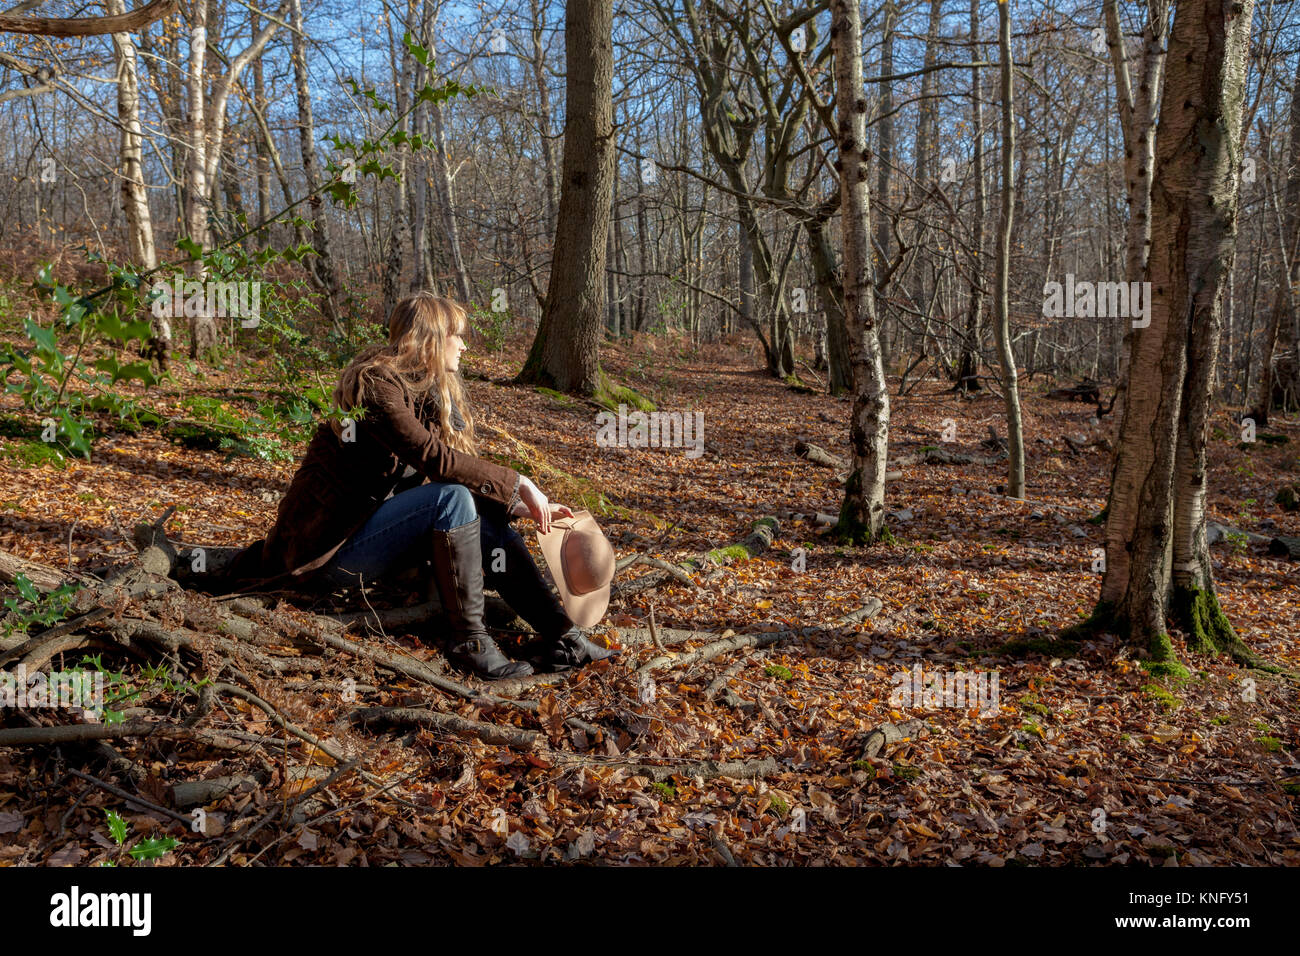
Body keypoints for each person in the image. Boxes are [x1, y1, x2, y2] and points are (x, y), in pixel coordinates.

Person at [217, 292, 617, 680]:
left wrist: (509, 504)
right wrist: (517, 483)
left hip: (368, 538)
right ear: (429, 339)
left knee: (479, 513)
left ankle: (565, 636)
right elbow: (435, 461)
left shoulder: (422, 395)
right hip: (328, 555)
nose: (462, 346)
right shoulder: (376, 389)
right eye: (455, 335)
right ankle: (469, 643)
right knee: (453, 499)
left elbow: (436, 475)